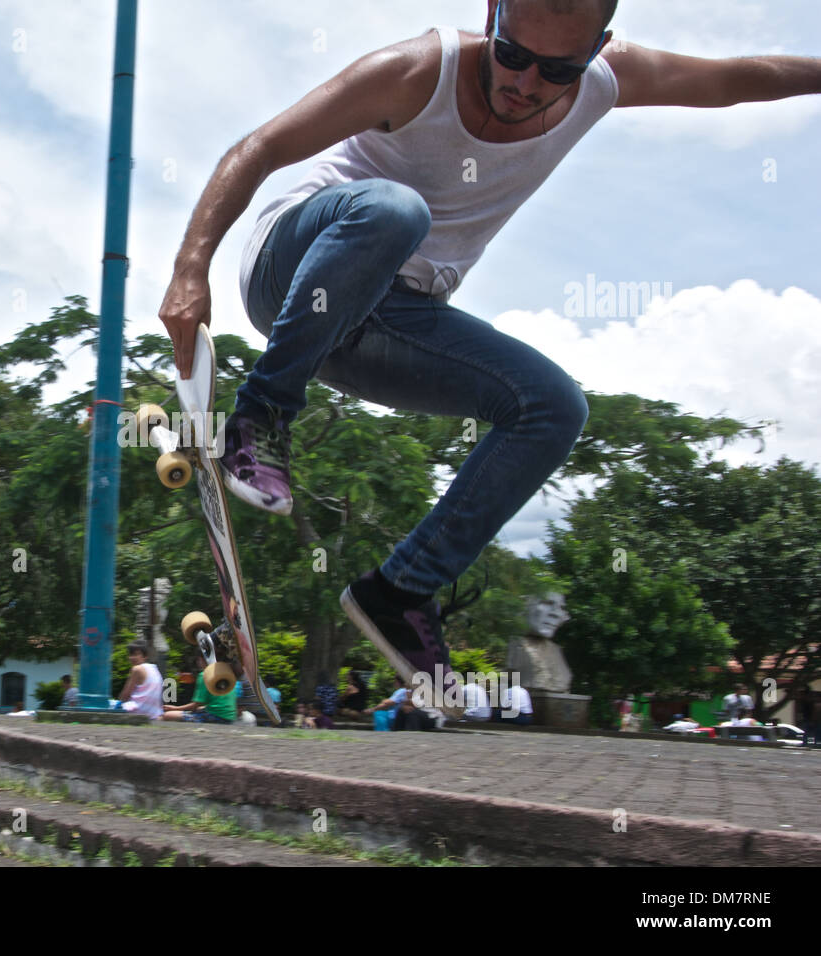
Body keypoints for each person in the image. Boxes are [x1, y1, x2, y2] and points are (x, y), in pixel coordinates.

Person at [158, 0, 821, 692]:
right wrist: (189, 269)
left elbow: (733, 80)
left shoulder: (608, 81)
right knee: (395, 211)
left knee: (553, 406)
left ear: (598, 49)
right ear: (492, 19)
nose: (527, 85)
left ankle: (401, 590)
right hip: (297, 269)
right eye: (512, 55)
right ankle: (259, 417)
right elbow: (257, 147)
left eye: (557, 70)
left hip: (390, 320)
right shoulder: (417, 70)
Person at [162, 652, 237, 724]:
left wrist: (174, 708)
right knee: (198, 710)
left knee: (168, 715)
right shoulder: (226, 674)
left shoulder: (204, 675)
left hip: (216, 717)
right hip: (229, 717)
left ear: (201, 659)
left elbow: (195, 705)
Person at [116, 640, 164, 718]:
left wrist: (117, 706)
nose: (131, 658)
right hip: (155, 714)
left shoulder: (137, 669)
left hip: (138, 711)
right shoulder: (155, 669)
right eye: (130, 654)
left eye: (135, 654)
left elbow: (125, 695)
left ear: (145, 656)